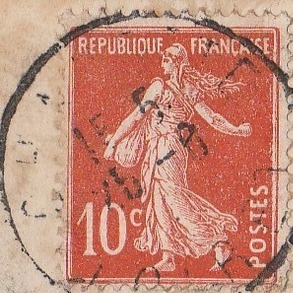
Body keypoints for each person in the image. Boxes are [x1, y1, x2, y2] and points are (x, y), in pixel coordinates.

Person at [102, 44, 252, 274]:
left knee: (173, 198)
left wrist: (237, 130)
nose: (163, 61)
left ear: (178, 62)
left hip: (167, 148)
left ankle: (218, 240)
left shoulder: (161, 87)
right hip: (164, 148)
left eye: (168, 58)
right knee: (159, 200)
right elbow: (210, 118)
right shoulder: (182, 88)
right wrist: (237, 130)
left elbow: (137, 117)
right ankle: (169, 255)